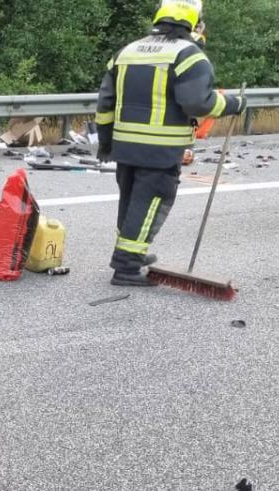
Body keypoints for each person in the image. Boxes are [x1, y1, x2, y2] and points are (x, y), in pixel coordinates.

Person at [95, 0, 246, 286]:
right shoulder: (189, 55)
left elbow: (105, 103)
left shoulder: (126, 52)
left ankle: (131, 254)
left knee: (130, 202)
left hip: (125, 145)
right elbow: (197, 103)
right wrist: (233, 103)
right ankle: (127, 267)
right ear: (195, 23)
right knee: (150, 203)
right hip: (161, 149)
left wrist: (105, 143)